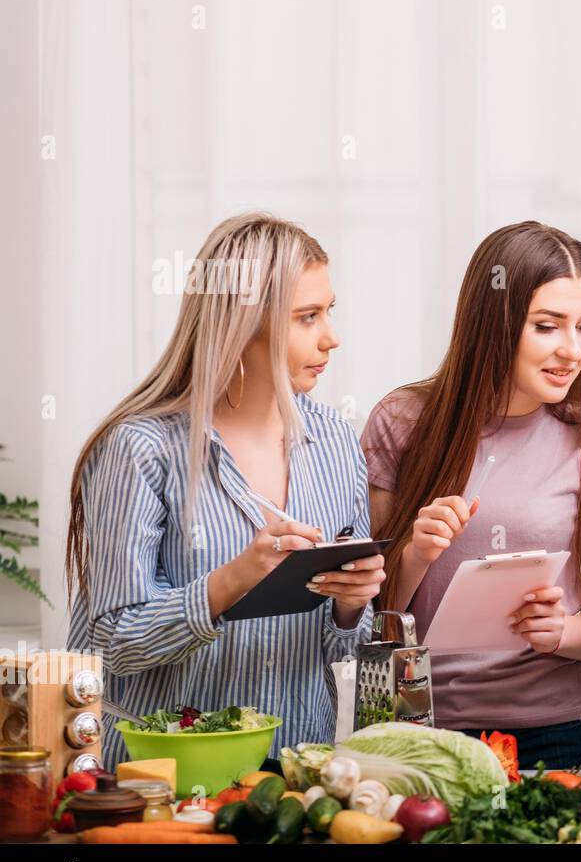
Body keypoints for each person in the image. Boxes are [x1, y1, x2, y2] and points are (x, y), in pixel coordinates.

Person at [67, 212, 384, 770]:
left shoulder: (335, 441)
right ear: (242, 325)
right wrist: (231, 582)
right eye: (307, 317)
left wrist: (352, 607)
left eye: (328, 312)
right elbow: (113, 641)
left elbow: (342, 653)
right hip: (161, 780)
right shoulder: (141, 448)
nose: (331, 338)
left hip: (290, 775)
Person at [363, 221, 581, 770]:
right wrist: (416, 552)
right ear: (494, 322)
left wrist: (562, 633)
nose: (573, 349)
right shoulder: (402, 422)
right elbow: (370, 611)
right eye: (547, 326)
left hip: (553, 735)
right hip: (417, 727)